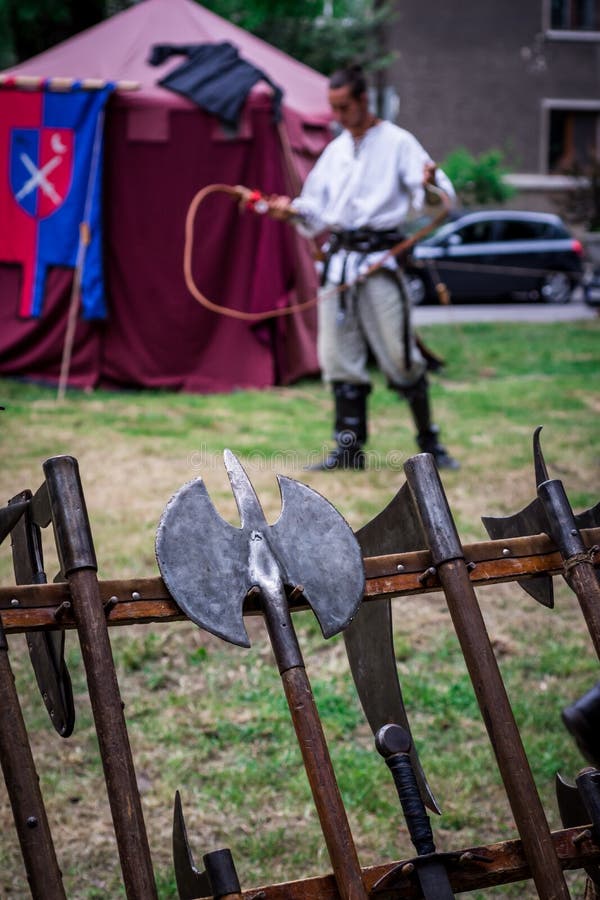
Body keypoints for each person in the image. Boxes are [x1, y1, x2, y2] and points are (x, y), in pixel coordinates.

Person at [268, 63, 459, 471]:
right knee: (338, 357)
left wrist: (428, 183)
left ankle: (431, 445)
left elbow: (438, 198)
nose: (337, 117)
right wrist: (291, 212)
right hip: (339, 265)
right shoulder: (336, 151)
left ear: (363, 101)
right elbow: (316, 210)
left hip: (379, 262)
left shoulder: (399, 143)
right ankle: (349, 450)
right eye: (332, 108)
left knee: (399, 354)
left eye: (344, 107)